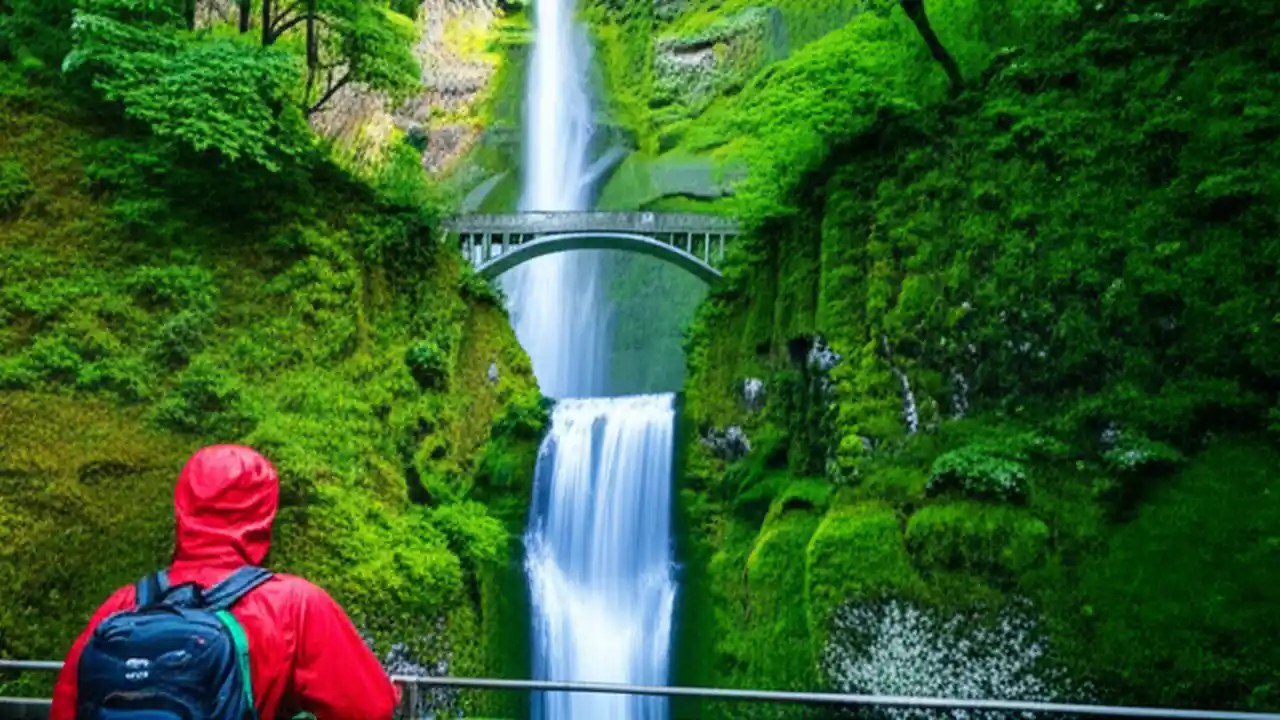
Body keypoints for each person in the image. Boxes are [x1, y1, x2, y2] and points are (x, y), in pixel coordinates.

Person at [50, 444, 401, 720]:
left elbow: (65, 709)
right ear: (265, 515)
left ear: (182, 508)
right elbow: (370, 709)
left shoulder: (123, 604)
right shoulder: (294, 605)